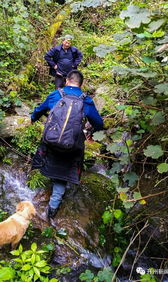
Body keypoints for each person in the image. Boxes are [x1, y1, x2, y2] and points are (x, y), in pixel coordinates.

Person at [31, 70, 103, 219]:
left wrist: (33, 118)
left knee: (51, 158)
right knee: (62, 174)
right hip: (72, 145)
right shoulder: (86, 101)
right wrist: (91, 131)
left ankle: (45, 192)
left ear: (66, 81)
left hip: (51, 141)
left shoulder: (56, 95)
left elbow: (39, 110)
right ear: (81, 85)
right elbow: (99, 123)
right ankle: (52, 209)